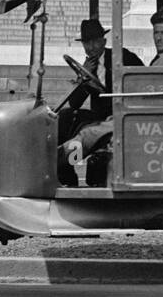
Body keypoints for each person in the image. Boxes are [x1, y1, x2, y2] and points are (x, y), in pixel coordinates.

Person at [58, 19, 142, 186]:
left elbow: (142, 82)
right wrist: (84, 76)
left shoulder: (124, 57)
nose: (91, 47)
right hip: (98, 116)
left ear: (103, 41)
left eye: (95, 41)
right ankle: (65, 175)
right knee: (65, 117)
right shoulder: (89, 66)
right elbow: (74, 102)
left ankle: (65, 158)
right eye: (87, 43)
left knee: (86, 137)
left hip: (120, 115)